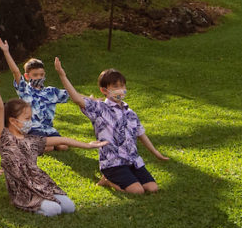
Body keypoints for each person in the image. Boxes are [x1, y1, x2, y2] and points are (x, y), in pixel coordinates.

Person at [0, 61, 100, 216]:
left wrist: (87, 145)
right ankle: (31, 203)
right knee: (54, 210)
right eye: (26, 118)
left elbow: (63, 140)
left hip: (40, 181)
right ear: (12, 120)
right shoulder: (3, 137)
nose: (30, 121)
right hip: (21, 186)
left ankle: (46, 198)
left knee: (69, 207)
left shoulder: (32, 139)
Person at [53, 58, 167, 194]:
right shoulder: (100, 108)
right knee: (138, 191)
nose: (121, 90)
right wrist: (62, 75)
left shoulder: (130, 113)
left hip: (133, 161)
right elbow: (77, 99)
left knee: (153, 188)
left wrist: (155, 153)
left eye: (123, 86)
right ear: (104, 90)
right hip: (113, 163)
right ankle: (108, 180)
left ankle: (125, 178)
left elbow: (141, 134)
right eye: (115, 87)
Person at [0, 37, 69, 137]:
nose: (39, 77)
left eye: (41, 75)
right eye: (35, 75)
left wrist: (90, 99)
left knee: (62, 146)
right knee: (49, 147)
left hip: (48, 128)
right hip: (32, 128)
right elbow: (16, 72)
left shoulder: (51, 91)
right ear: (27, 76)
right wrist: (6, 52)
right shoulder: (24, 90)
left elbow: (71, 94)